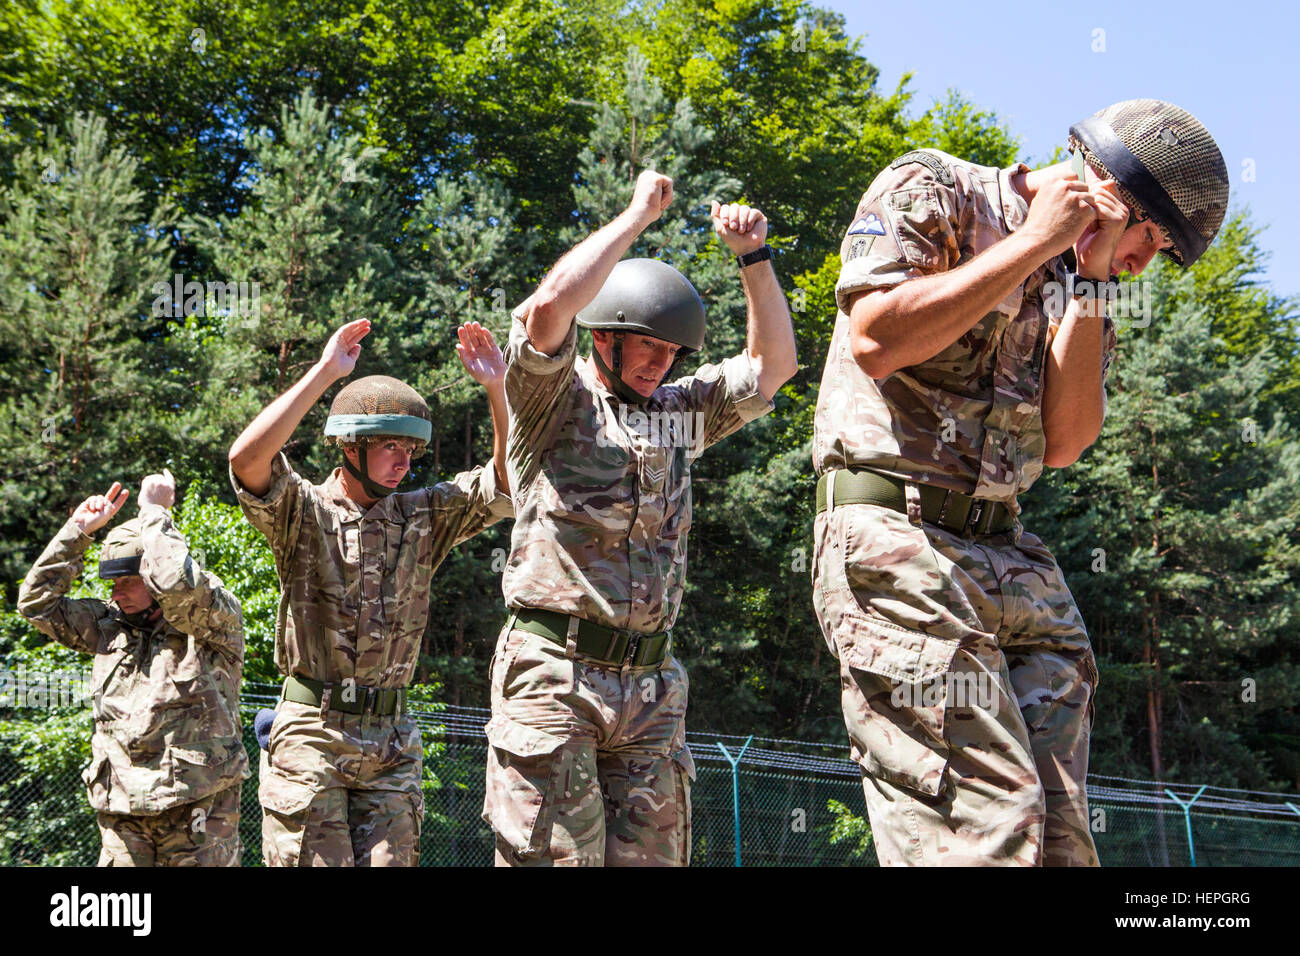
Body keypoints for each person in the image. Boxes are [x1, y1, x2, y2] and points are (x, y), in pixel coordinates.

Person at [811, 99, 1229, 865]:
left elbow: (1066, 442)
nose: (1146, 263)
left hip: (1011, 559)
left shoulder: (1091, 283)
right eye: (1150, 236)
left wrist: (1094, 279)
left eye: (1162, 253)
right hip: (896, 537)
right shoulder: (934, 188)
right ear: (1107, 189)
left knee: (1064, 843)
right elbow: (875, 339)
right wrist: (1037, 242)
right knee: (987, 827)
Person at [483, 169, 798, 866]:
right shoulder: (553, 404)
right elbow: (544, 315)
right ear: (606, 339)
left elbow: (772, 368)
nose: (662, 364)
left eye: (672, 353)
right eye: (648, 347)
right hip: (555, 673)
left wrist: (753, 259)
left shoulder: (679, 418)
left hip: (652, 688)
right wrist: (634, 217)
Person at [228, 319, 513, 866]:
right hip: (312, 733)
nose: (404, 460)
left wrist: (496, 389)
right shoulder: (303, 511)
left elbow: (506, 485)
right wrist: (325, 372)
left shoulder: (423, 513)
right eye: (389, 445)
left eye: (410, 447)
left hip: (391, 740)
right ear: (349, 447)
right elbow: (246, 460)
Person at [18, 470, 248, 866]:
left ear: (151, 575)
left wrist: (154, 512)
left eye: (128, 580)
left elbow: (178, 583)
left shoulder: (211, 622)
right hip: (123, 810)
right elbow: (36, 603)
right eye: (112, 582)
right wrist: (79, 531)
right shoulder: (106, 627)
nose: (115, 592)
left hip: (197, 806)